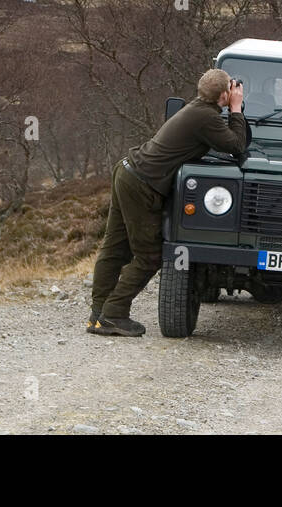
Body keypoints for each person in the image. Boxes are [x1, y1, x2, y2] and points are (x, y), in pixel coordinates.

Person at [88, 69, 247, 337]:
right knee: (149, 256)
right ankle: (113, 314)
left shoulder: (198, 108)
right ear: (223, 94)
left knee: (115, 248)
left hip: (128, 171)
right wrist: (237, 109)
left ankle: (98, 316)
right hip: (142, 184)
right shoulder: (207, 117)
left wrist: (227, 106)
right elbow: (237, 145)